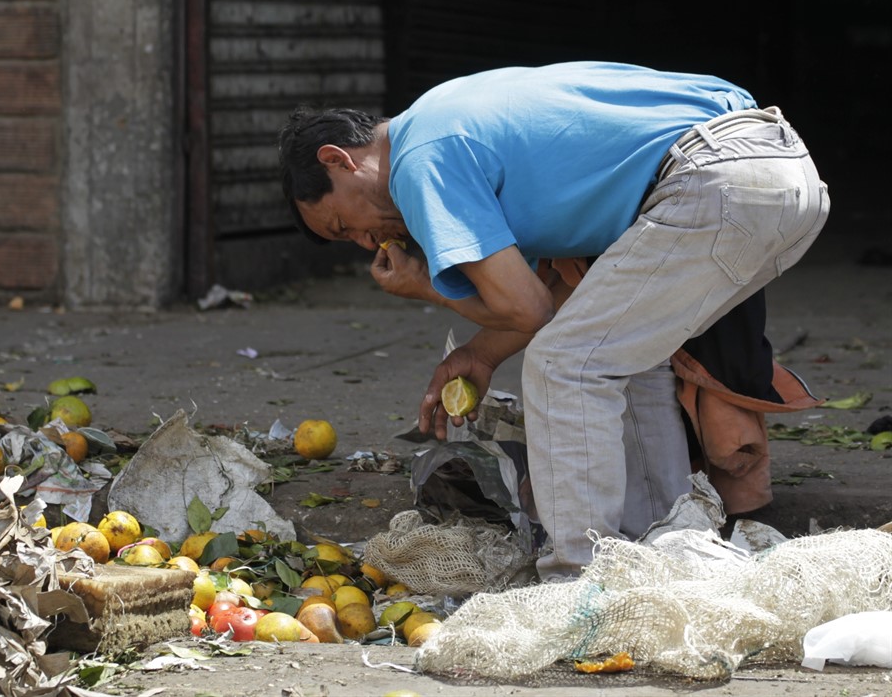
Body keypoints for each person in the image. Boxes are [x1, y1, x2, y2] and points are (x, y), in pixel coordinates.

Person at [278, 61, 830, 579]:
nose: (364, 241)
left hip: (720, 176)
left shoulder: (419, 158)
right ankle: (661, 548)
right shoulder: (444, 117)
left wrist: (425, 288)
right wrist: (480, 353)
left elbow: (530, 311)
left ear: (338, 160)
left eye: (341, 225)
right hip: (779, 170)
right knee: (622, 358)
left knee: (564, 365)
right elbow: (556, 298)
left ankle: (575, 585)